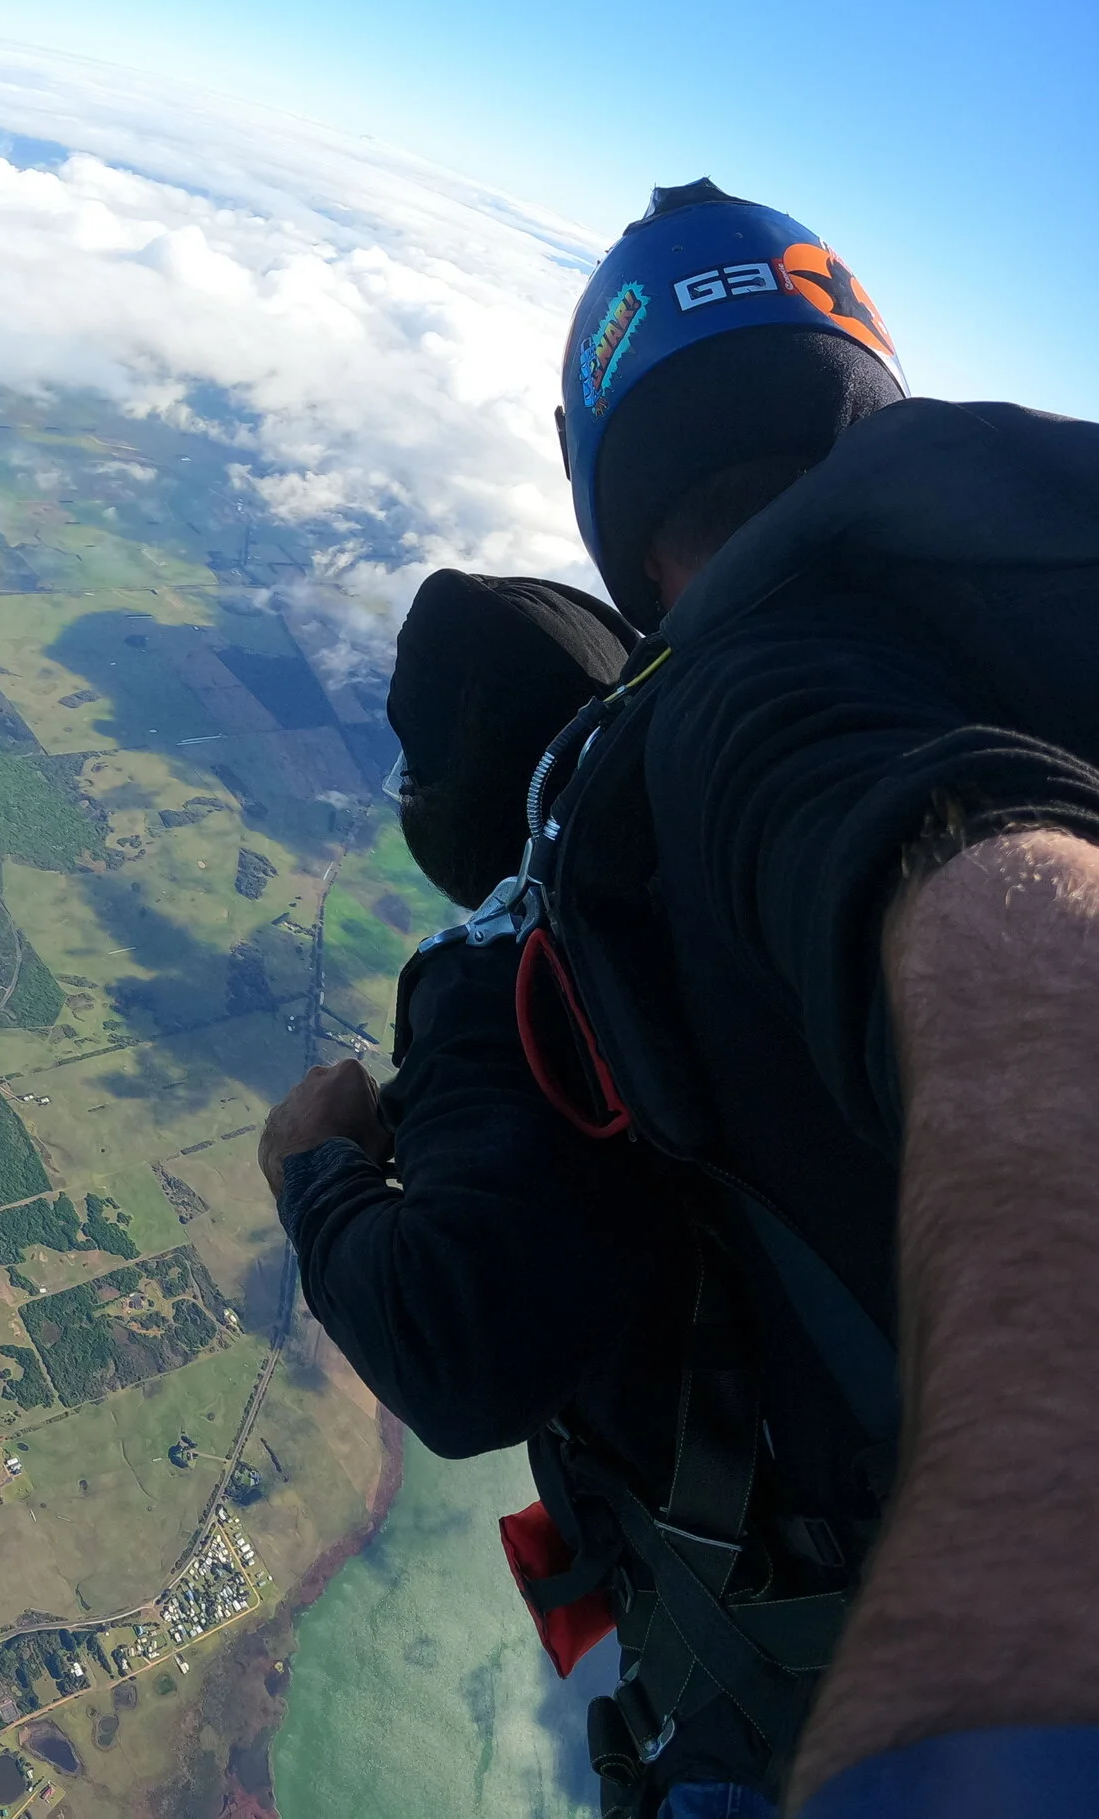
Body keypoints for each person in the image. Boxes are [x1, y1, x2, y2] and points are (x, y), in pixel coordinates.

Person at [296, 178, 1099, 1813]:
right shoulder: (983, 633)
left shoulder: (749, 699)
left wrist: (307, 1165)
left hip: (840, 1722)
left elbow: (1000, 904)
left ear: (615, 494)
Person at [268, 568, 881, 1817]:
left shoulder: (527, 966)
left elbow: (456, 1347)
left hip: (828, 1692)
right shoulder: (729, 896)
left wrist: (313, 1170)